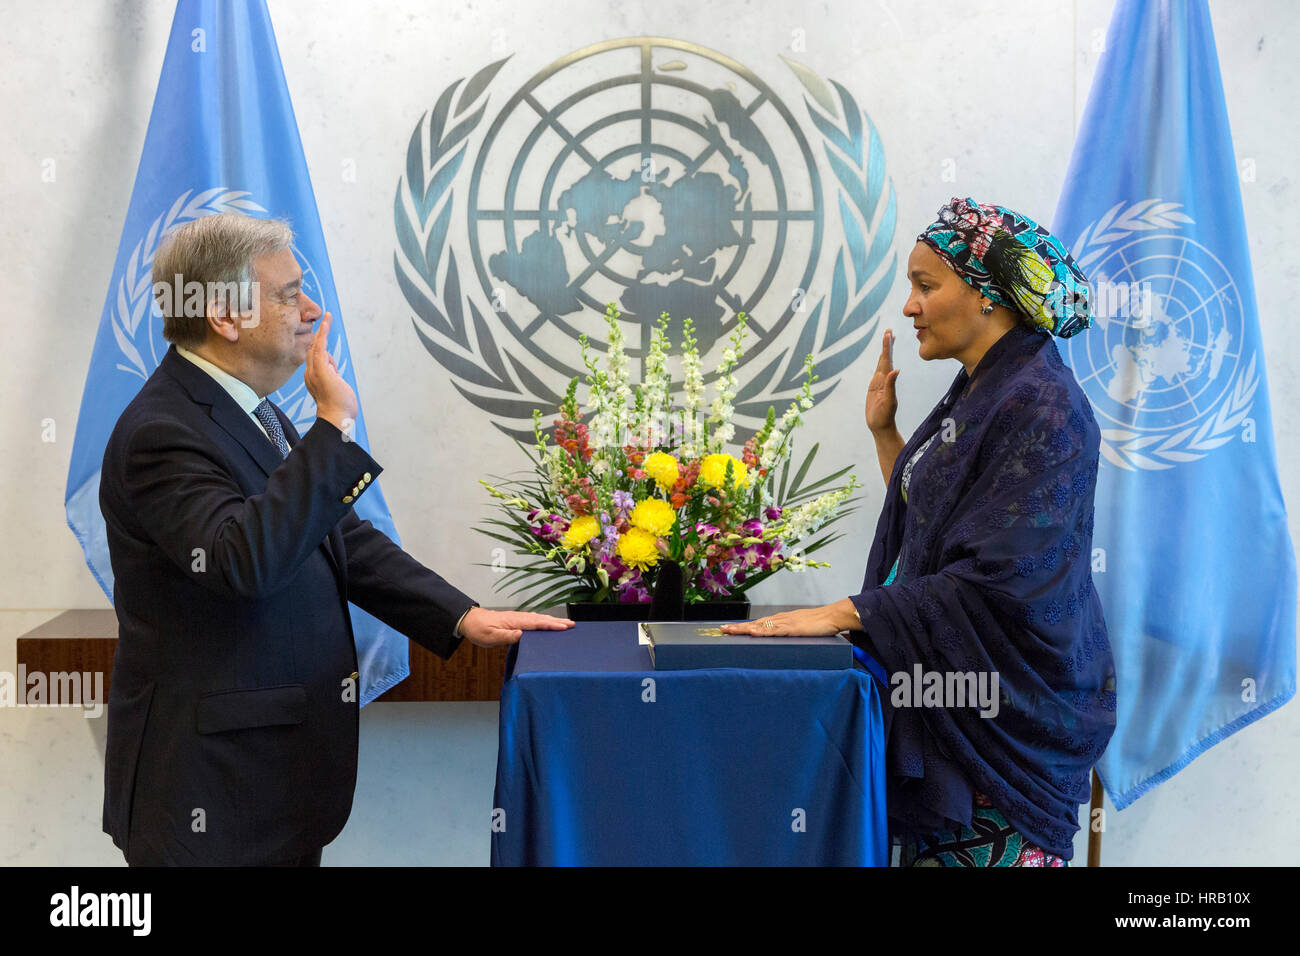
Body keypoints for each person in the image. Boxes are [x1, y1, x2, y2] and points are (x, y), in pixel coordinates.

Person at [99, 212, 573, 866]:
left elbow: (343, 538)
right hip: (210, 795)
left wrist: (462, 616)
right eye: (289, 293)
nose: (312, 309)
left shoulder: (254, 414)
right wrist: (334, 422)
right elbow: (244, 561)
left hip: (274, 781)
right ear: (225, 316)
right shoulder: (163, 431)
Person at [722, 197, 1116, 866]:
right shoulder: (984, 388)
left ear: (989, 296)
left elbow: (1003, 577)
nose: (909, 307)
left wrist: (842, 613)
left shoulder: (1042, 404)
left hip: (1002, 725)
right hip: (954, 708)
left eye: (925, 286)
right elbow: (944, 525)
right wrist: (888, 438)